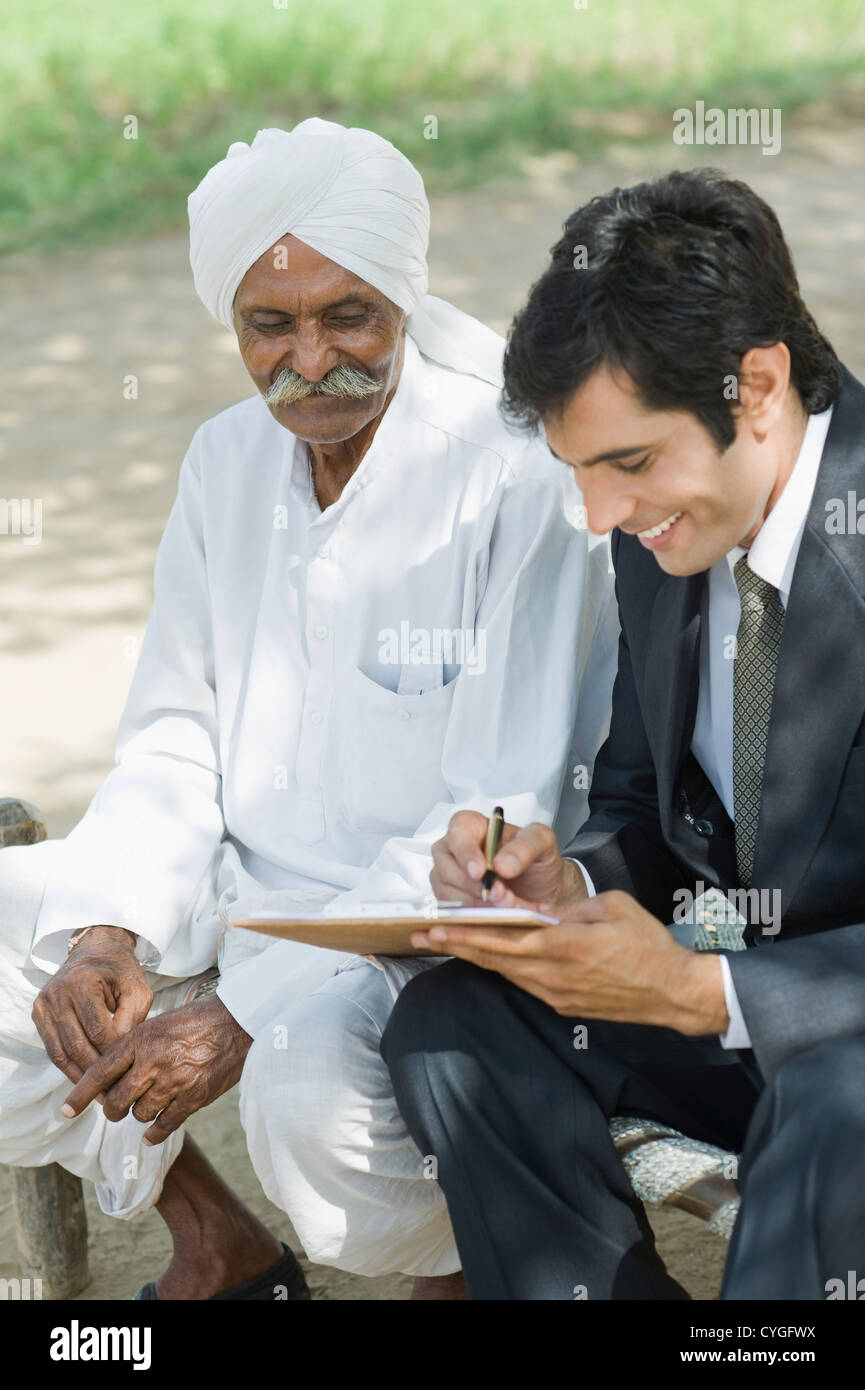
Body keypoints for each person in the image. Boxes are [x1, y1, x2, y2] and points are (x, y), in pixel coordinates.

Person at [0, 119, 617, 1300]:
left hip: (411, 928)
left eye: (351, 316)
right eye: (269, 324)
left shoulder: (508, 474)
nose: (312, 357)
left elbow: (493, 818)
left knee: (306, 1093)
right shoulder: (222, 463)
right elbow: (173, 737)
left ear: (403, 297)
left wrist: (239, 1009)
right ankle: (222, 1246)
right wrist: (106, 933)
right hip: (233, 890)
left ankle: (454, 1279)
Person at [382, 167, 865, 1300]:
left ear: (756, 386)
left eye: (628, 463)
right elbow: (647, 805)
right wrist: (562, 879)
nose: (599, 515)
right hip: (755, 1022)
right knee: (452, 1027)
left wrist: (706, 996)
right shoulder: (663, 536)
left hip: (841, 1051)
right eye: (577, 472)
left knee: (837, 1099)